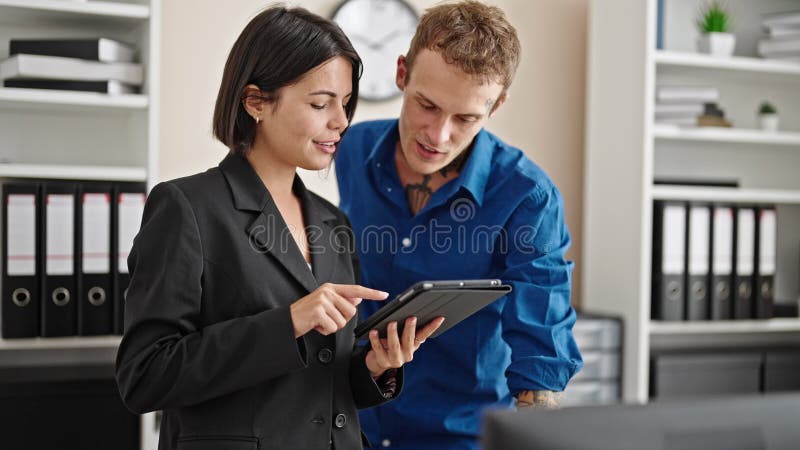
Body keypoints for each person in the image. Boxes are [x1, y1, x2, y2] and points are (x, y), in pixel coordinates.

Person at [115, 6, 442, 450]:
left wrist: (377, 368)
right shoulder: (186, 208)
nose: (341, 121)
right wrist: (286, 323)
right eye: (319, 103)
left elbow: (326, 385)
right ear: (256, 102)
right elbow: (145, 376)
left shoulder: (334, 223)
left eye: (344, 104)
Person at [334, 1, 583, 449]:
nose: (438, 135)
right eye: (426, 105)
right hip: (353, 425)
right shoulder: (351, 150)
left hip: (459, 437)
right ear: (402, 74)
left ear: (497, 104)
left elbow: (542, 346)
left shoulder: (528, 196)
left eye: (466, 118)